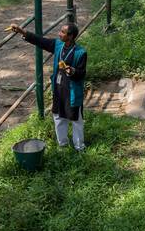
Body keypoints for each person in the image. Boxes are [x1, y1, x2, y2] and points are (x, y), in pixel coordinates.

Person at [9, 21, 88, 150]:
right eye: (60, 31)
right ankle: (63, 145)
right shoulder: (58, 45)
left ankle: (79, 147)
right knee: (58, 117)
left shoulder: (81, 53)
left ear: (71, 36)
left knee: (76, 119)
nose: (59, 34)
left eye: (63, 32)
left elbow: (81, 73)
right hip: (58, 88)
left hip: (72, 91)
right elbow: (40, 41)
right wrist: (22, 31)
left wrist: (72, 71)